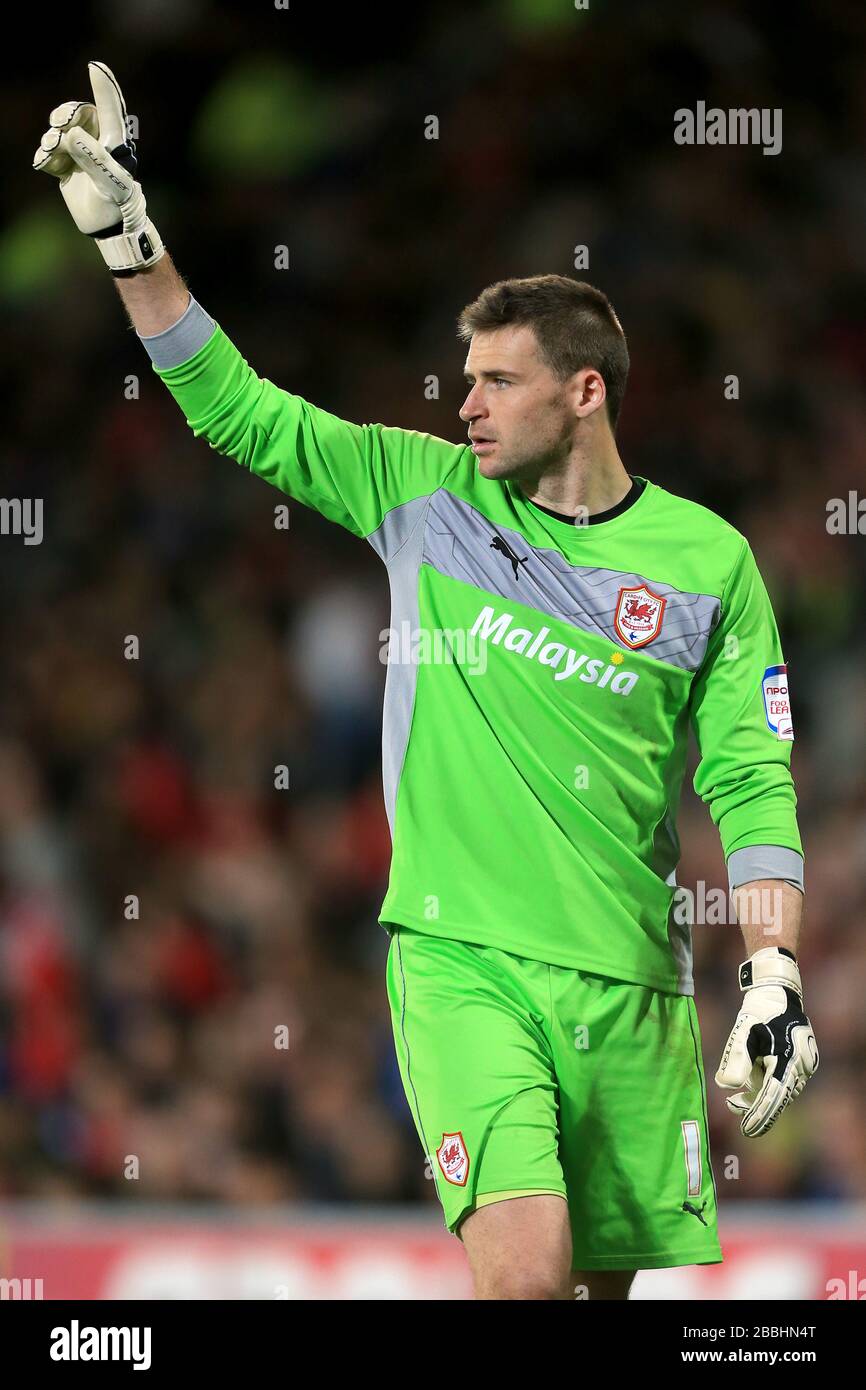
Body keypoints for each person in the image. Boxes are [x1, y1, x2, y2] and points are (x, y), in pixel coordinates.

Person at [34, 62, 819, 1301]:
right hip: (462, 960)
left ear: (584, 389)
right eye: (463, 381)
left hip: (630, 979)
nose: (464, 406)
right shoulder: (419, 492)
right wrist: (131, 243)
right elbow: (238, 412)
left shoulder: (706, 562)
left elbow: (748, 776)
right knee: (523, 1276)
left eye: (495, 382)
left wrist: (772, 969)